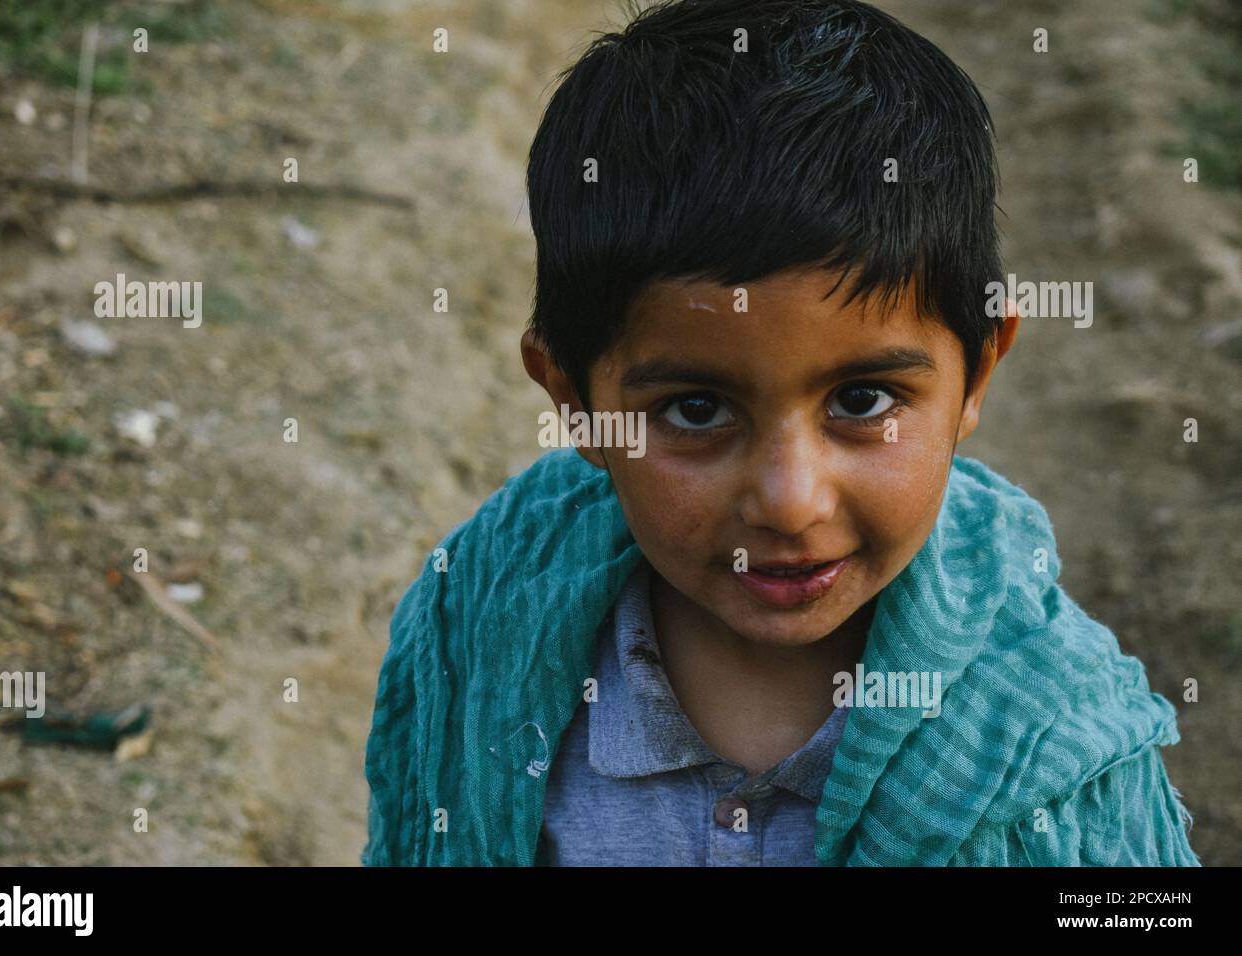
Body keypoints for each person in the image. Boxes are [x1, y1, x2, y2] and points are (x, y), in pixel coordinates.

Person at [362, 0, 1200, 866]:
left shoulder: (1053, 742)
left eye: (865, 401)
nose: (791, 501)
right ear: (577, 403)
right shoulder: (488, 620)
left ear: (977, 374)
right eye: (695, 411)